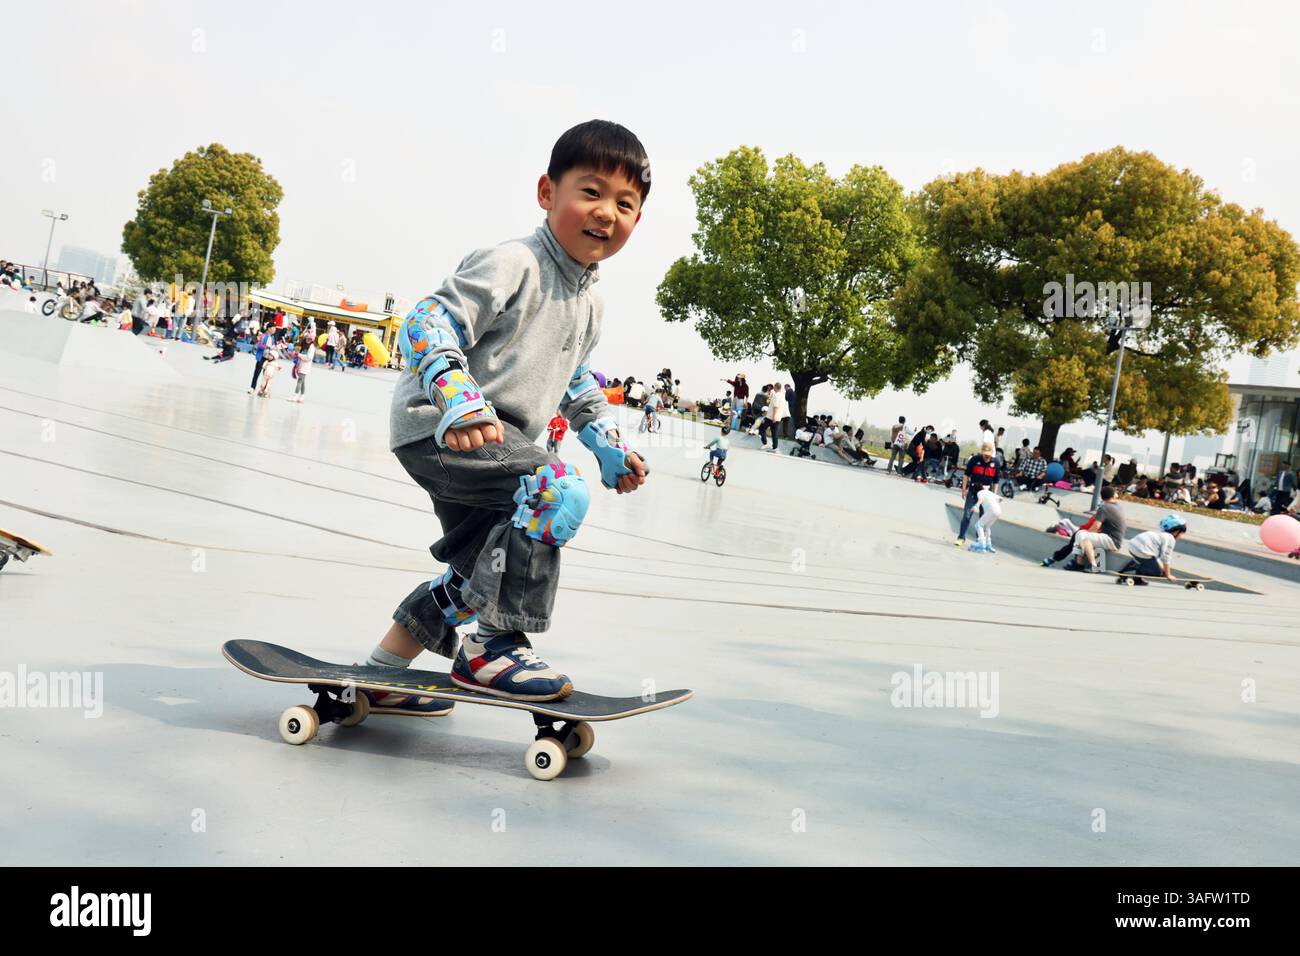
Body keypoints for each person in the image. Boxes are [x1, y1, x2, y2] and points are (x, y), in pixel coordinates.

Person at [362, 120, 650, 705]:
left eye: (625, 203)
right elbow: (426, 321)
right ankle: (494, 647)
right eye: (590, 192)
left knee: (478, 574)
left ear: (636, 221)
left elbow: (576, 384)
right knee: (553, 490)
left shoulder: (590, 302)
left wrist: (609, 447)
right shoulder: (514, 262)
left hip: (498, 444)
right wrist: (460, 399)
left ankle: (382, 671)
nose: (606, 213)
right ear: (548, 193)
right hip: (440, 429)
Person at [1066, 486, 1127, 572]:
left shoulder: (1104, 508)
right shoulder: (1118, 506)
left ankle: (1091, 565)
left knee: (1082, 535)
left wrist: (1083, 536)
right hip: (1114, 539)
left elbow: (1096, 527)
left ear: (1102, 497)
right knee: (1081, 535)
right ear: (1113, 495)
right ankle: (1079, 563)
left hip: (1112, 540)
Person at [1117, 514, 1188, 585]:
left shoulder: (1161, 535)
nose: (1181, 536)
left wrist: (1162, 569)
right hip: (1142, 551)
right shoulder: (1170, 539)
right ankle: (1131, 571)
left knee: (1148, 563)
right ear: (1176, 531)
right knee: (1157, 573)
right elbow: (1166, 558)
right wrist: (1168, 574)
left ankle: (1131, 573)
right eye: (1181, 533)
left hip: (1133, 546)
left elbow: (1155, 559)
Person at [956, 442, 998, 546]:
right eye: (985, 454)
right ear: (982, 452)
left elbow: (996, 481)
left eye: (988, 454)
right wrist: (963, 489)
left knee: (983, 517)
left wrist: (995, 496)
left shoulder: (995, 463)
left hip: (987, 494)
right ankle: (961, 537)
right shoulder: (974, 460)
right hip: (973, 492)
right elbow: (966, 475)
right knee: (967, 515)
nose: (986, 456)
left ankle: (979, 539)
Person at [967, 482, 1003, 554]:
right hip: (999, 511)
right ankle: (988, 544)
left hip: (991, 510)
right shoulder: (989, 492)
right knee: (987, 526)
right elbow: (1001, 499)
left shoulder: (979, 493)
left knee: (978, 525)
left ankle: (982, 544)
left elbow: (980, 499)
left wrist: (976, 506)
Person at [288, 334, 316, 403]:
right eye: (307, 338)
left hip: (305, 366)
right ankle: (302, 395)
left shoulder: (311, 348)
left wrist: (299, 355)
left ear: (312, 340)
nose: (308, 340)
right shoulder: (304, 346)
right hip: (301, 365)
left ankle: (295, 395)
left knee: (300, 381)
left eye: (309, 339)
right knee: (302, 382)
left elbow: (309, 358)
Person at [249, 326, 275, 393]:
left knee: (267, 375)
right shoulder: (263, 336)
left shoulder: (273, 338)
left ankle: (264, 390)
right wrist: (268, 347)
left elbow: (273, 346)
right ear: (269, 328)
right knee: (257, 373)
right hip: (262, 357)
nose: (274, 329)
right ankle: (252, 387)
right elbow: (259, 345)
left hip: (269, 358)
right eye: (273, 328)